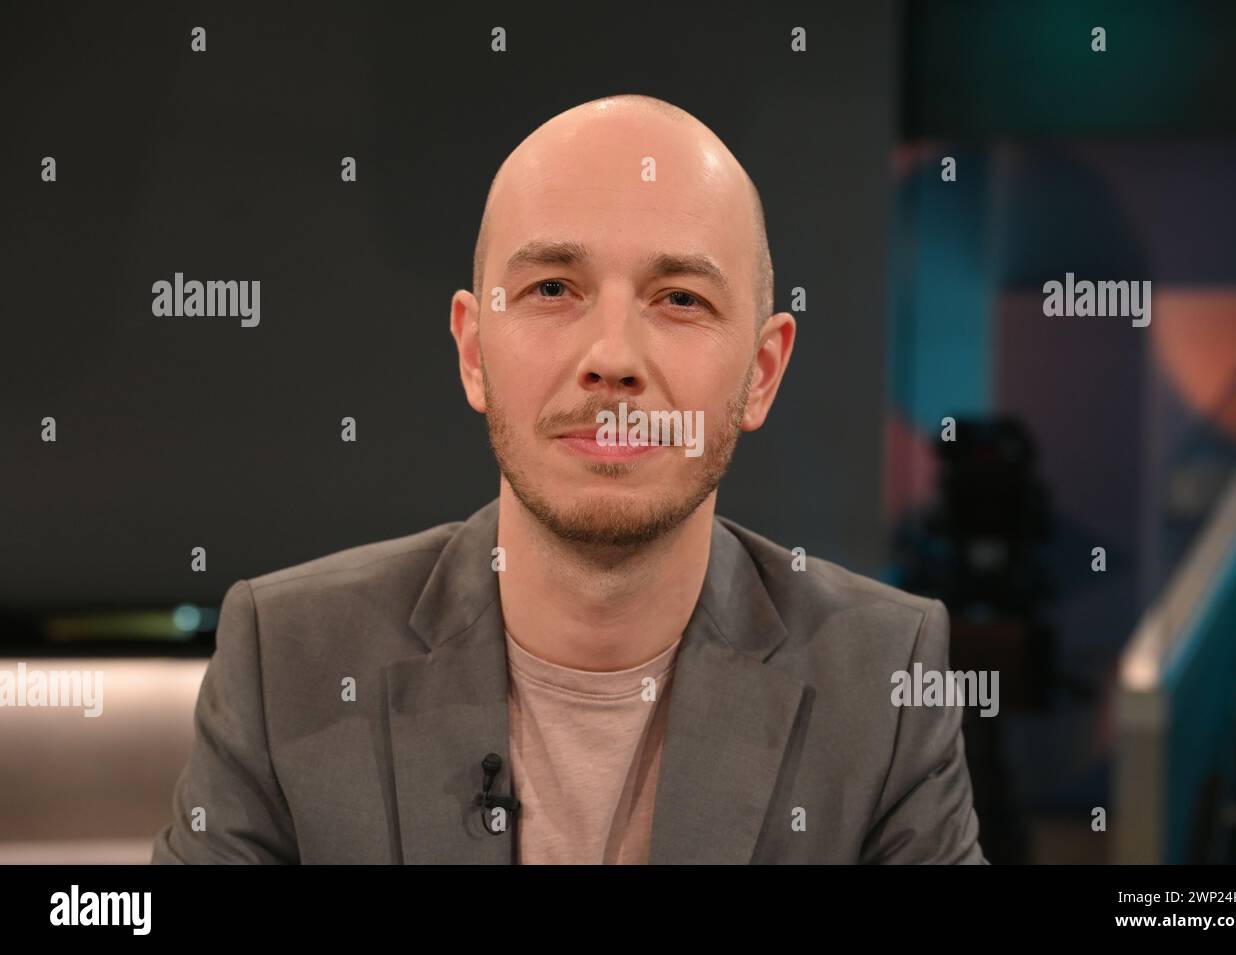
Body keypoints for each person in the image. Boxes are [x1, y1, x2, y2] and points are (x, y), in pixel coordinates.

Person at [152, 93, 985, 864]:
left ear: (761, 372)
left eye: (681, 298)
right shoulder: (285, 657)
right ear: (474, 350)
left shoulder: (883, 681)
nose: (613, 359)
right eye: (553, 288)